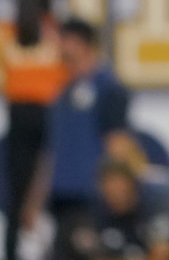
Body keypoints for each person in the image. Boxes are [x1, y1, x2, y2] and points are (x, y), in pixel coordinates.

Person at [28, 17, 133, 260]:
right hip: (61, 200)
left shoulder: (108, 88)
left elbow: (118, 146)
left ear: (79, 42)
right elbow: (50, 151)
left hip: (93, 200)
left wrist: (115, 195)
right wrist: (35, 201)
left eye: (63, 40)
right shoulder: (60, 92)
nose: (57, 47)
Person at [0, 0, 68, 260]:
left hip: (19, 116)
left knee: (18, 196)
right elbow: (67, 77)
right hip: (52, 116)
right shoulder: (58, 34)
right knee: (53, 190)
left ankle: (14, 253)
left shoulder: (6, 34)